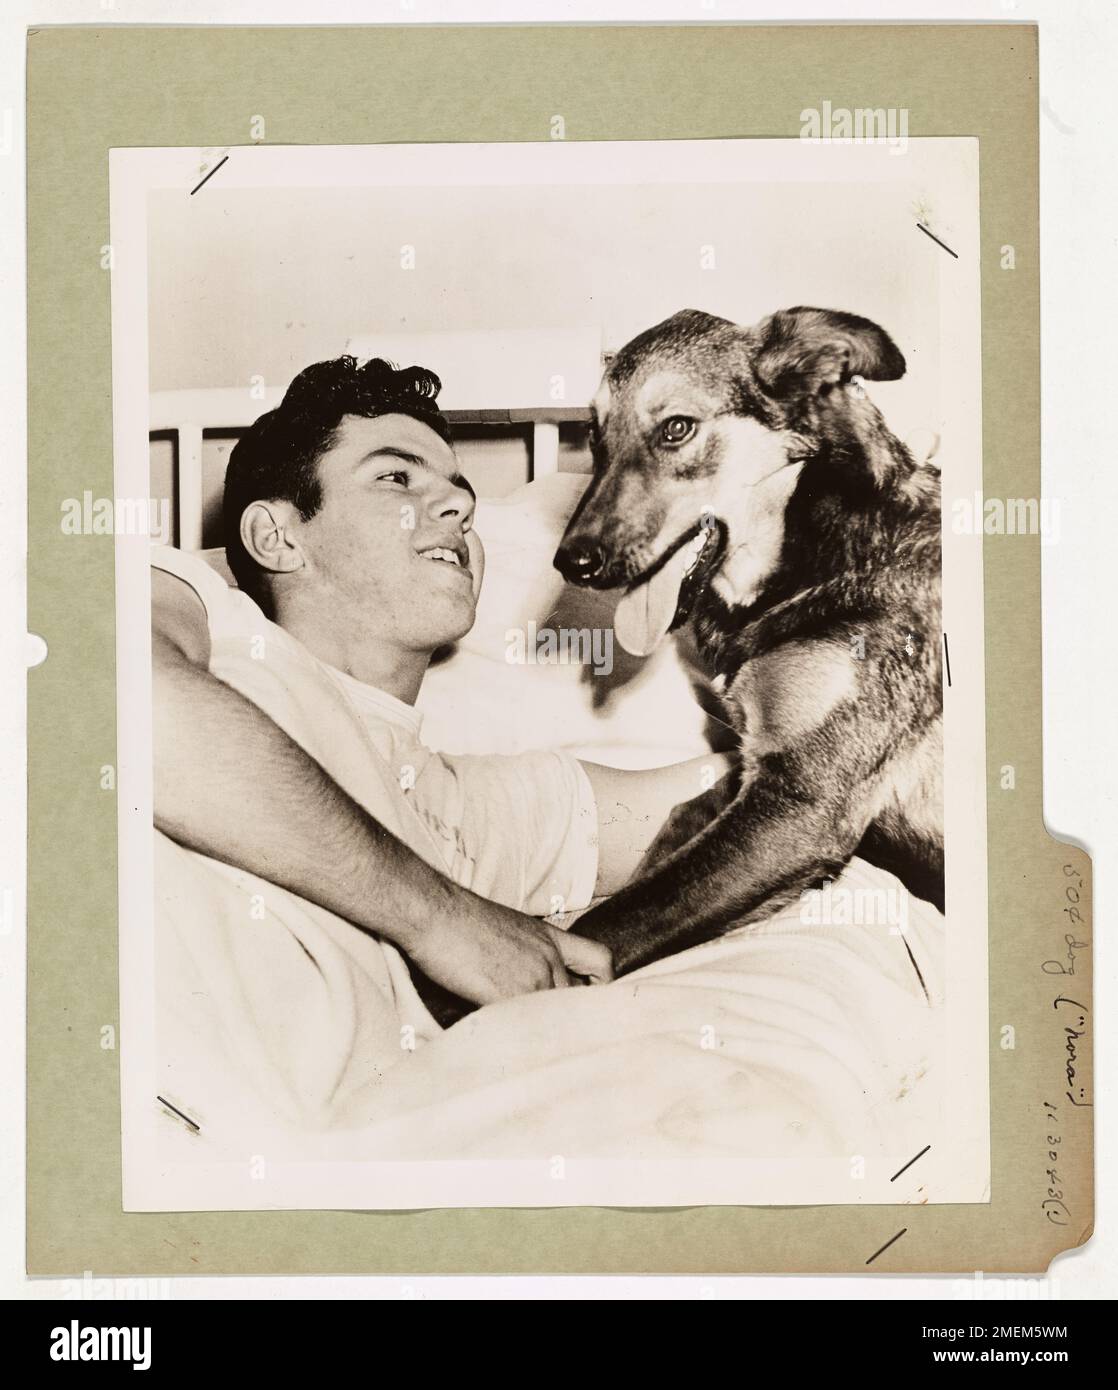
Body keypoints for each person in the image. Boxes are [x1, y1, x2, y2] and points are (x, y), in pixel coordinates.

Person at [151, 356, 730, 1127]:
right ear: (276, 536)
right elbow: (124, 705)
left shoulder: (462, 810)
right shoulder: (202, 615)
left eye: (460, 494)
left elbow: (757, 797)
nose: (457, 507)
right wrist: (443, 921)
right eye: (397, 480)